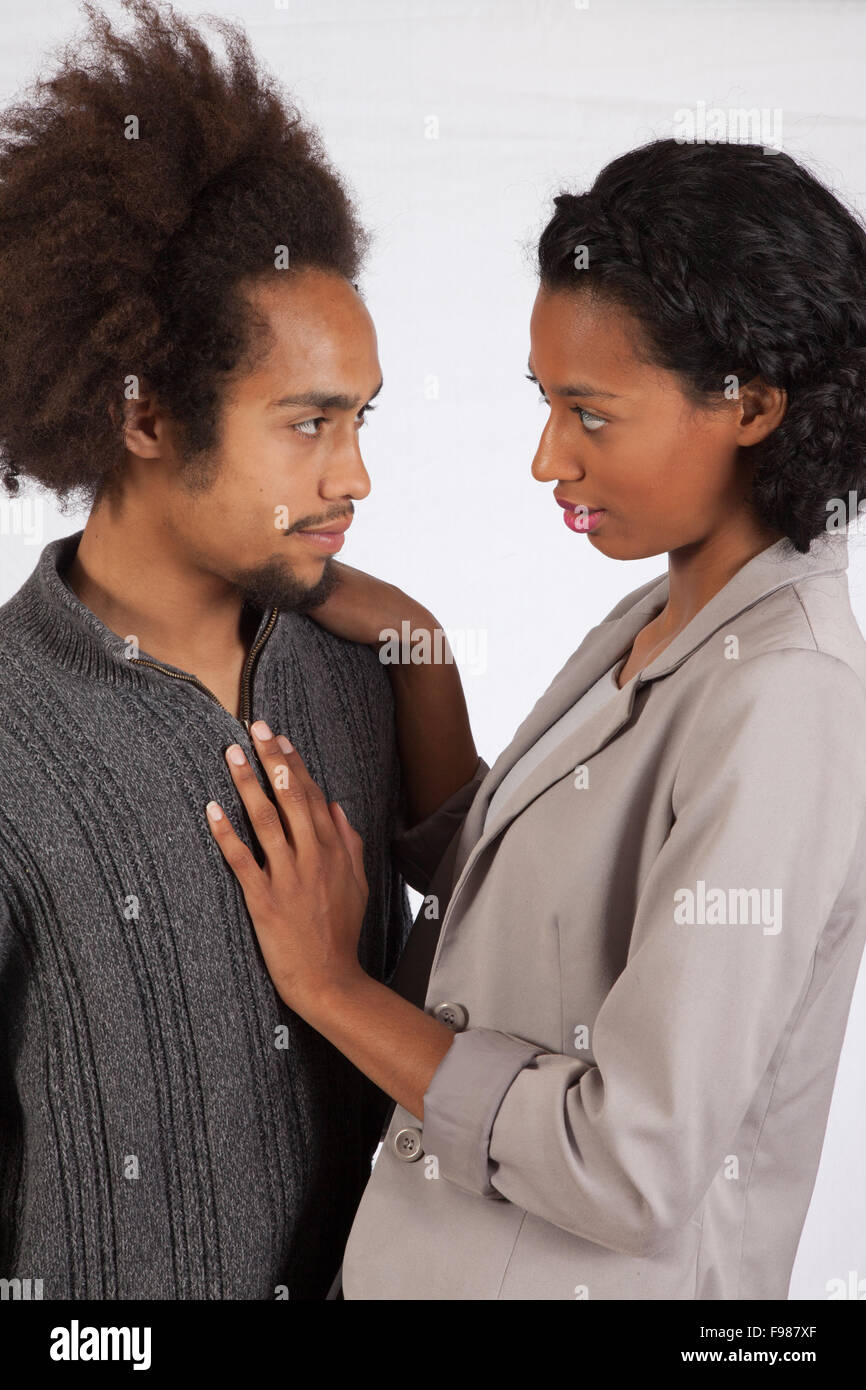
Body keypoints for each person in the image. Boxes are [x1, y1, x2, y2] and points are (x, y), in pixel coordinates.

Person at [206, 138, 866, 1299]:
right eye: (542, 401)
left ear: (750, 404)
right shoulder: (655, 613)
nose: (544, 458)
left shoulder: (785, 702)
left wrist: (329, 985)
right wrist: (420, 651)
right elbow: (510, 894)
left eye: (588, 413)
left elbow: (629, 1167)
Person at [0, 0, 472, 1300]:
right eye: (309, 423)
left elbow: (502, 1016)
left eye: (360, 417)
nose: (356, 472)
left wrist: (423, 661)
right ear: (145, 412)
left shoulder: (361, 679)